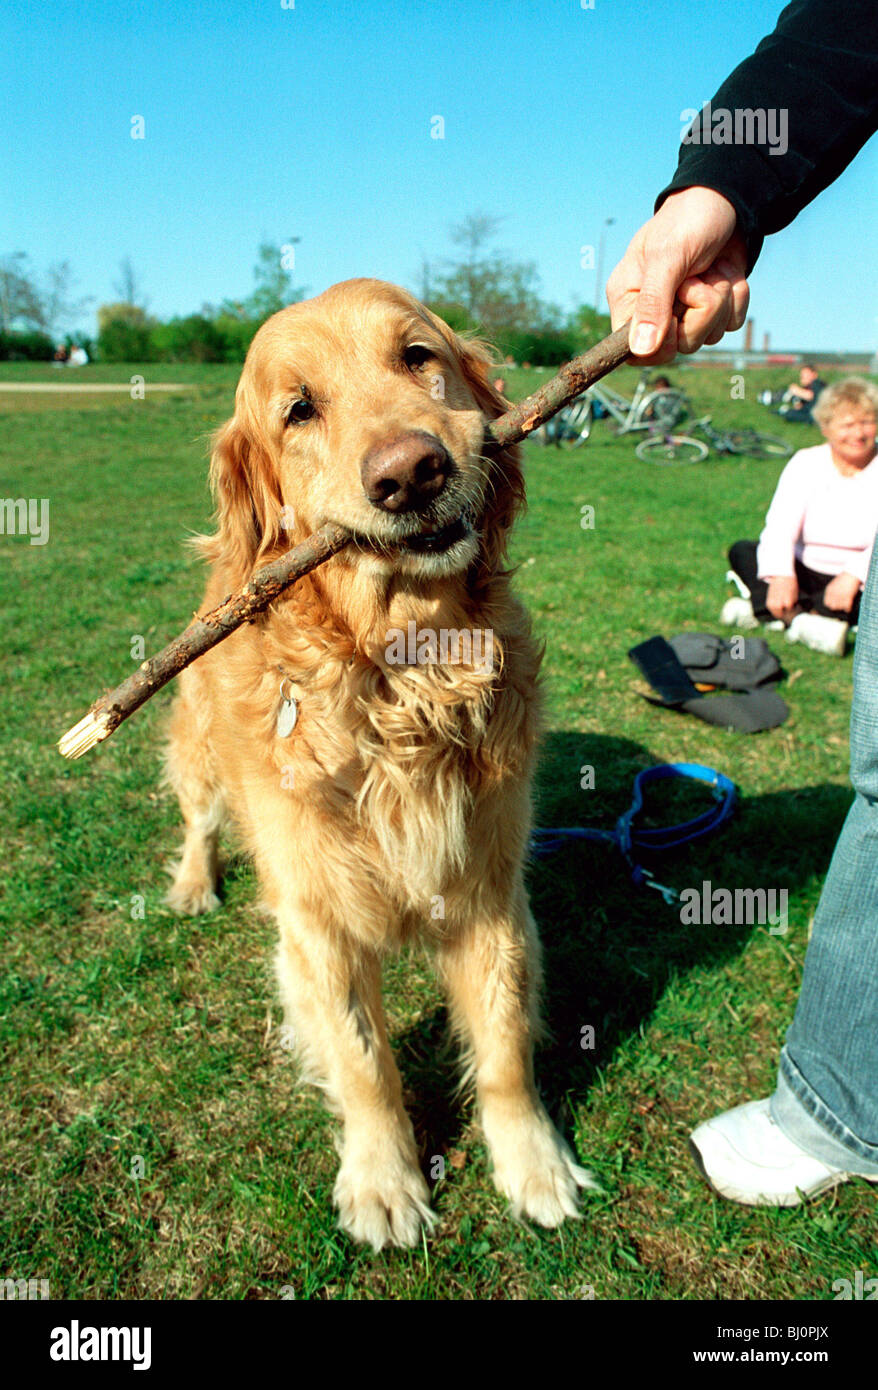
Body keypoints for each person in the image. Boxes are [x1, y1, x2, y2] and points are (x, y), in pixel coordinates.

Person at [607, 0, 878, 1204]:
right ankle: (843, 1098)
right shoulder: (797, 466)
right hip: (801, 579)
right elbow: (845, 29)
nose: (856, 434)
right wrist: (707, 196)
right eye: (848, 421)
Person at [724, 377, 878, 656]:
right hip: (804, 568)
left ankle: (769, 612)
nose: (858, 433)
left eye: (867, 422)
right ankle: (806, 620)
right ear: (826, 427)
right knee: (744, 551)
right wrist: (782, 575)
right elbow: (780, 525)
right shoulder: (807, 462)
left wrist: (854, 574)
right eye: (847, 425)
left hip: (860, 580)